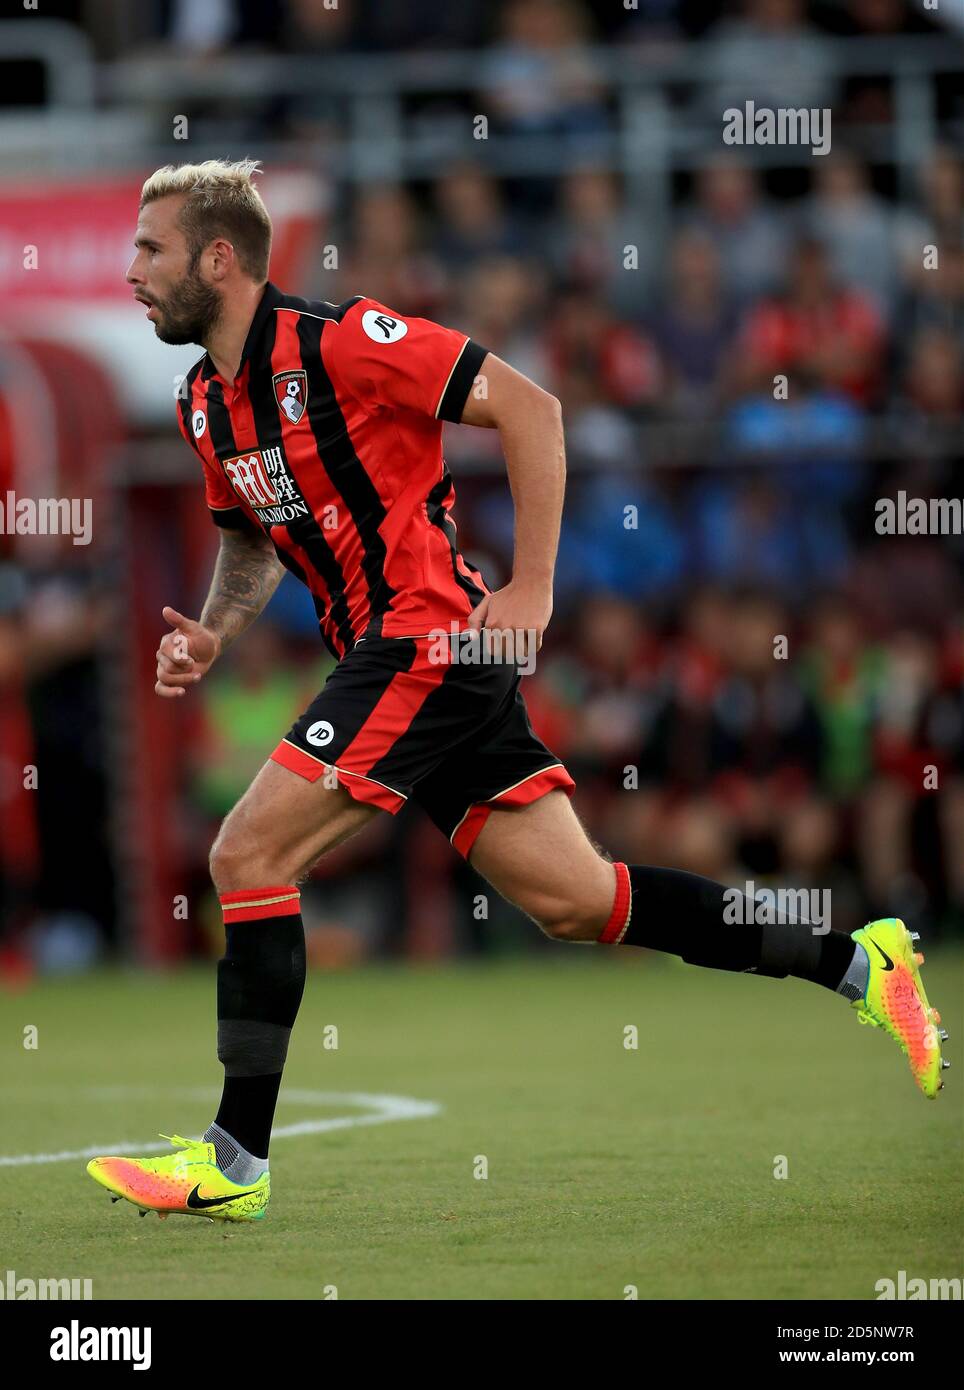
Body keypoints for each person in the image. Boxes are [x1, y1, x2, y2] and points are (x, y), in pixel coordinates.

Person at [87, 160, 946, 1225]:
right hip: (409, 663)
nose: (132, 271)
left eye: (149, 250)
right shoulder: (203, 403)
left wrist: (534, 582)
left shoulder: (341, 340)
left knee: (244, 854)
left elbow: (530, 407)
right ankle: (860, 963)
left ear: (219, 259)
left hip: (429, 643)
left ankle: (233, 1160)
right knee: (579, 901)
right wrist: (212, 633)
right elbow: (249, 543)